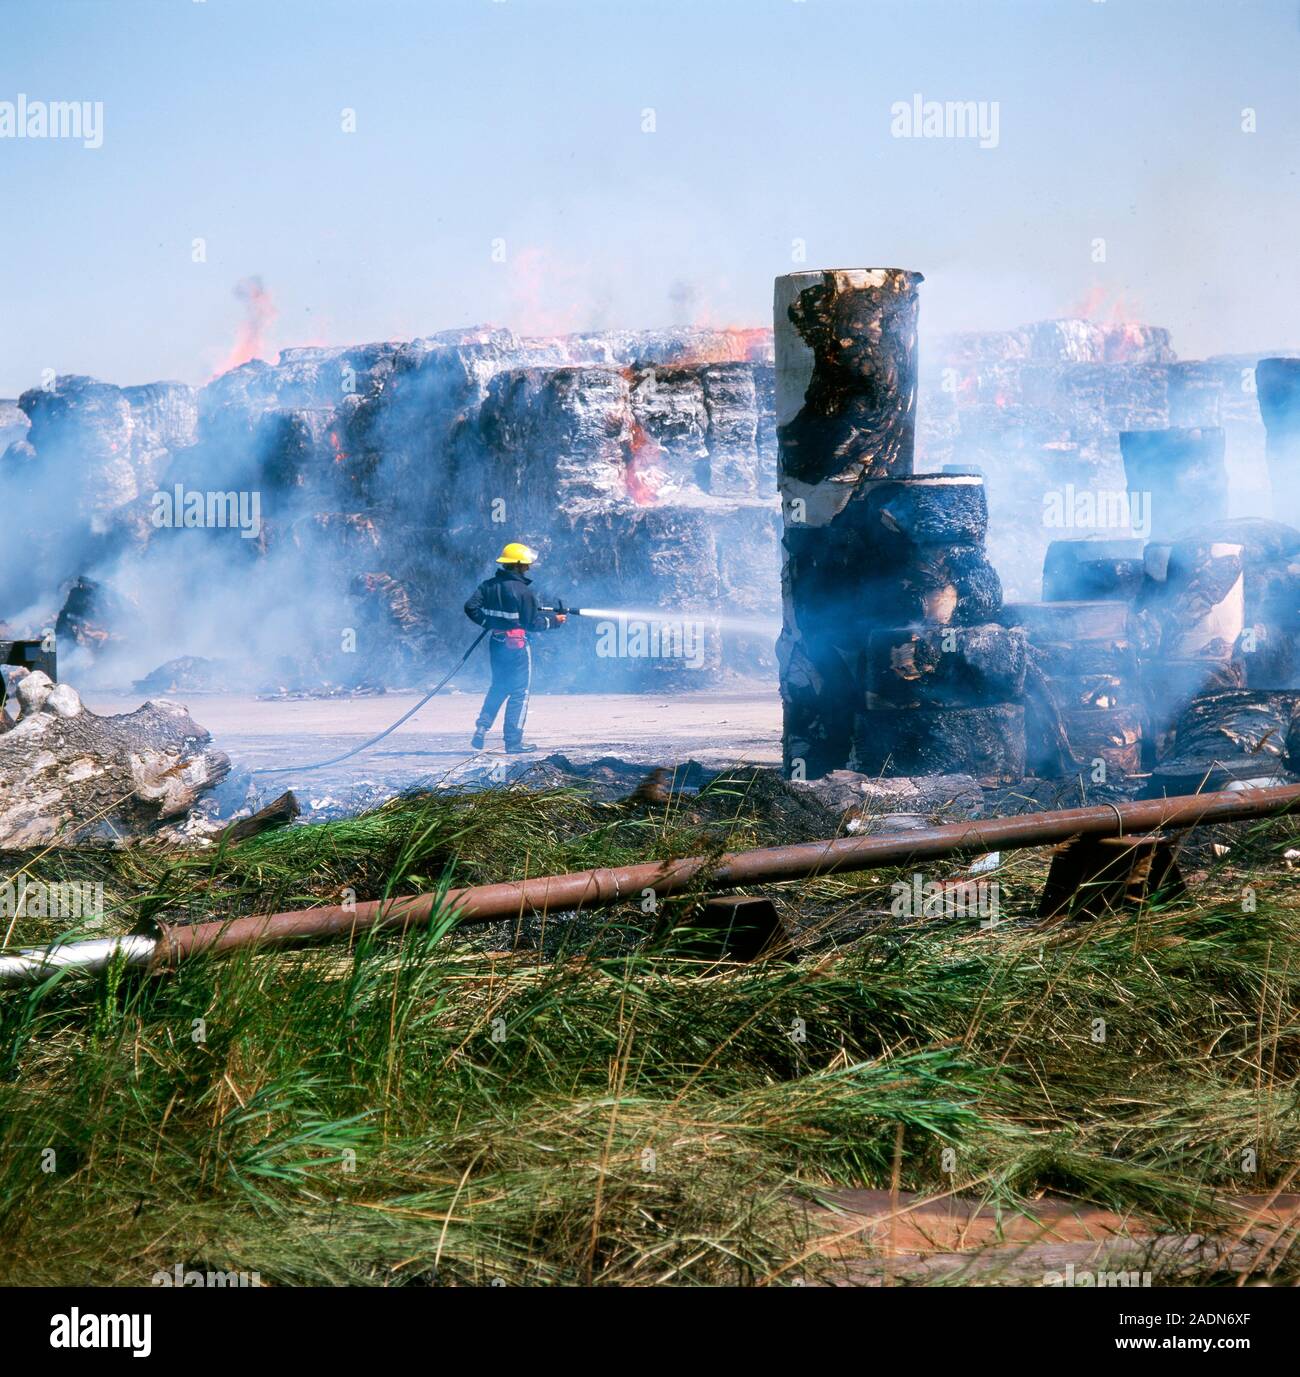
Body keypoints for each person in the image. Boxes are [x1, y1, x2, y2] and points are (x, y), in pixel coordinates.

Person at [464, 541, 566, 752]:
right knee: (520, 692)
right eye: (526, 564)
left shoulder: (488, 586)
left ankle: (482, 727)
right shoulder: (524, 592)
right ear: (518, 565)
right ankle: (513, 742)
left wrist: (487, 623)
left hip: (496, 644)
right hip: (517, 648)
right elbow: (531, 623)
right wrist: (555, 621)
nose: (528, 567)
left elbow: (470, 607)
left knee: (499, 687)